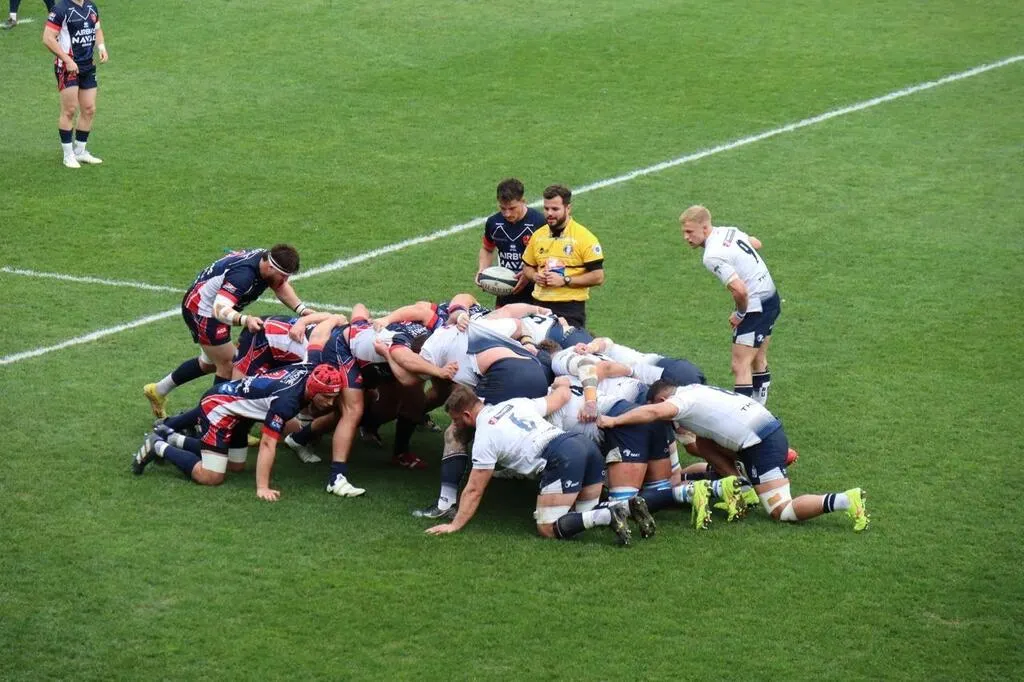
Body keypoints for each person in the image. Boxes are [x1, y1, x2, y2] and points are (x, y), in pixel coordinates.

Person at [597, 380, 869, 531]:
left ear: (661, 400)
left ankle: (846, 500)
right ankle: (743, 486)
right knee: (703, 443)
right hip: (756, 436)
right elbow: (696, 447)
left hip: (761, 443)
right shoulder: (695, 391)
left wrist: (613, 422)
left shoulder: (679, 402)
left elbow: (656, 413)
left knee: (781, 510)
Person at [425, 384, 647, 545]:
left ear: (466, 414)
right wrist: (562, 384)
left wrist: (455, 525)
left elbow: (474, 489)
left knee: (548, 528)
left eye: (455, 421)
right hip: (584, 445)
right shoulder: (514, 403)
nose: (455, 426)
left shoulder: (484, 436)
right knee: (581, 514)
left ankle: (609, 515)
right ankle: (626, 507)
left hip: (563, 456)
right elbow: (559, 399)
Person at [143, 245, 313, 419]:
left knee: (209, 363)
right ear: (270, 267)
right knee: (230, 366)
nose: (285, 280)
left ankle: (157, 390)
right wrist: (245, 319)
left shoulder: (266, 263)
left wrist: (303, 310)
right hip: (205, 311)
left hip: (207, 304)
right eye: (283, 275)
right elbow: (219, 310)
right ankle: (213, 420)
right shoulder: (243, 276)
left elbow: (279, 285)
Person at [131, 364, 344, 501]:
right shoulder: (286, 402)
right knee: (212, 476)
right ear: (313, 391)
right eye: (326, 397)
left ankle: (171, 436)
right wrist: (263, 487)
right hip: (219, 408)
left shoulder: (310, 371)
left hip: (238, 409)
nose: (330, 402)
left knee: (236, 466)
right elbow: (268, 443)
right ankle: (158, 446)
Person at [680, 205, 780, 403]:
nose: (686, 237)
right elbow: (756, 243)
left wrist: (740, 314)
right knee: (758, 359)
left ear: (705, 227)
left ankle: (742, 420)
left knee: (740, 365)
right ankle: (760, 412)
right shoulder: (729, 231)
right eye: (684, 232)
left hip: (755, 308)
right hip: (772, 299)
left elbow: (740, 290)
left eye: (690, 232)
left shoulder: (711, 256)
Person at [521, 185, 605, 328]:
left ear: (568, 208)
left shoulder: (584, 238)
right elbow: (527, 267)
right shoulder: (538, 236)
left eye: (555, 209)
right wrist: (535, 276)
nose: (549, 213)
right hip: (540, 307)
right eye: (546, 208)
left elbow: (598, 276)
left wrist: (565, 280)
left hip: (569, 309)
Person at [42, 0, 107, 168]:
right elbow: (48, 38)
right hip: (67, 68)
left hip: (87, 66)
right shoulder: (61, 9)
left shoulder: (91, 6)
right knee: (69, 110)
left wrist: (101, 47)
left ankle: (80, 151)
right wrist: (67, 59)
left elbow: (97, 29)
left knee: (89, 109)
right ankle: (68, 155)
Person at [477, 178, 545, 307]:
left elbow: (549, 257)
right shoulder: (494, 223)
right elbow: (487, 249)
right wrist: (482, 270)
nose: (507, 214)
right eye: (503, 208)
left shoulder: (539, 222)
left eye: (512, 208)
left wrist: (529, 273)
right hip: (505, 289)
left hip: (535, 291)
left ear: (523, 201)